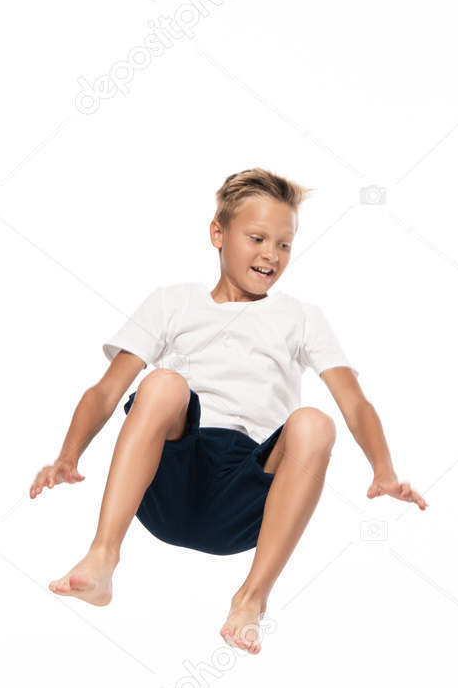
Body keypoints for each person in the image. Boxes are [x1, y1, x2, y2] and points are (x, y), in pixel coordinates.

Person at [30, 167, 426, 652]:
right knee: (163, 384)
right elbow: (106, 391)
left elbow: (354, 402)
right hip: (169, 477)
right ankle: (102, 557)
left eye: (284, 244)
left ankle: (251, 600)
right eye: (257, 238)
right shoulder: (173, 303)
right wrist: (69, 456)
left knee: (314, 422)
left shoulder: (300, 317)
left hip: (248, 494)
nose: (271, 255)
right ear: (218, 233)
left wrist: (383, 469)